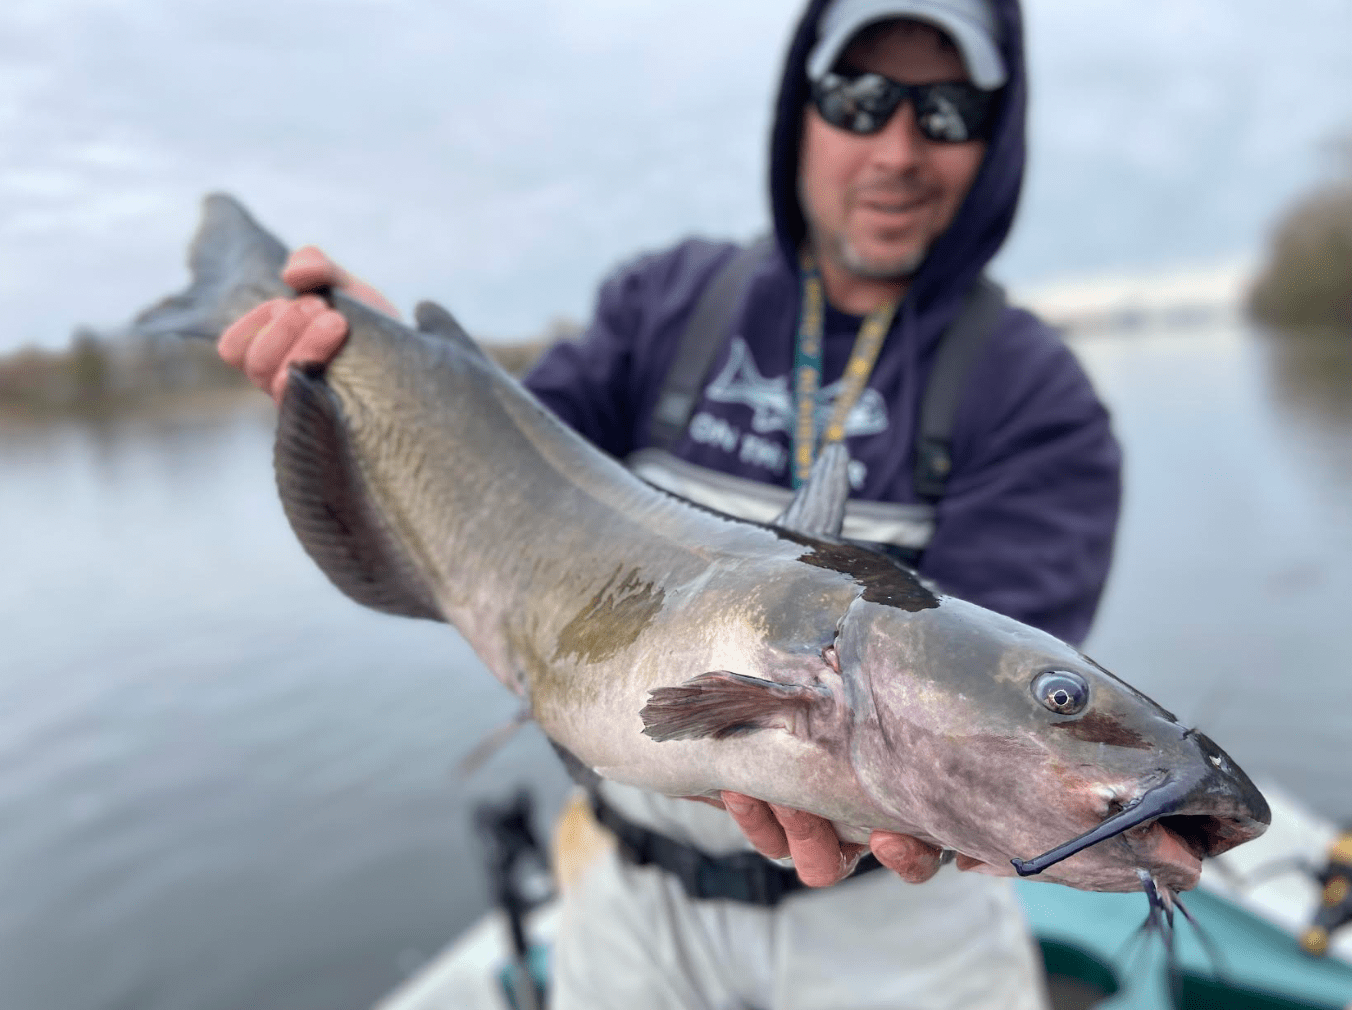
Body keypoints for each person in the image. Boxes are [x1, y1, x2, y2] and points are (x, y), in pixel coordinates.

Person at [219, 0, 1122, 1005]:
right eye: (858, 98)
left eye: (946, 111)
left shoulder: (1036, 393)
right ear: (799, 111)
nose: (897, 148)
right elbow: (508, 458)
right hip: (626, 897)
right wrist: (389, 368)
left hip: (896, 927)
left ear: (994, 142)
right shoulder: (667, 300)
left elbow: (977, 683)